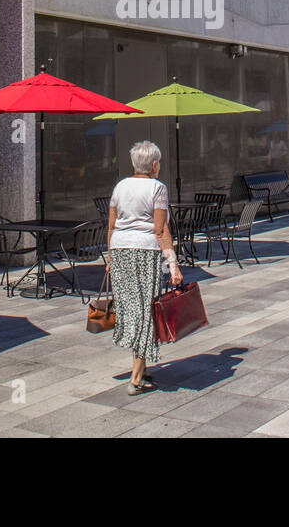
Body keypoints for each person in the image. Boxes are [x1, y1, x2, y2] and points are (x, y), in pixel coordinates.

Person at [105, 140, 182, 395]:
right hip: (145, 252)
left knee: (133, 310)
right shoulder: (157, 188)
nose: (159, 165)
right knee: (146, 312)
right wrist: (173, 264)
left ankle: (142, 366)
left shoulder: (120, 187)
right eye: (158, 161)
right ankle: (136, 379)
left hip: (120, 251)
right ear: (153, 164)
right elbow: (160, 230)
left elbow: (112, 226)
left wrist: (109, 257)